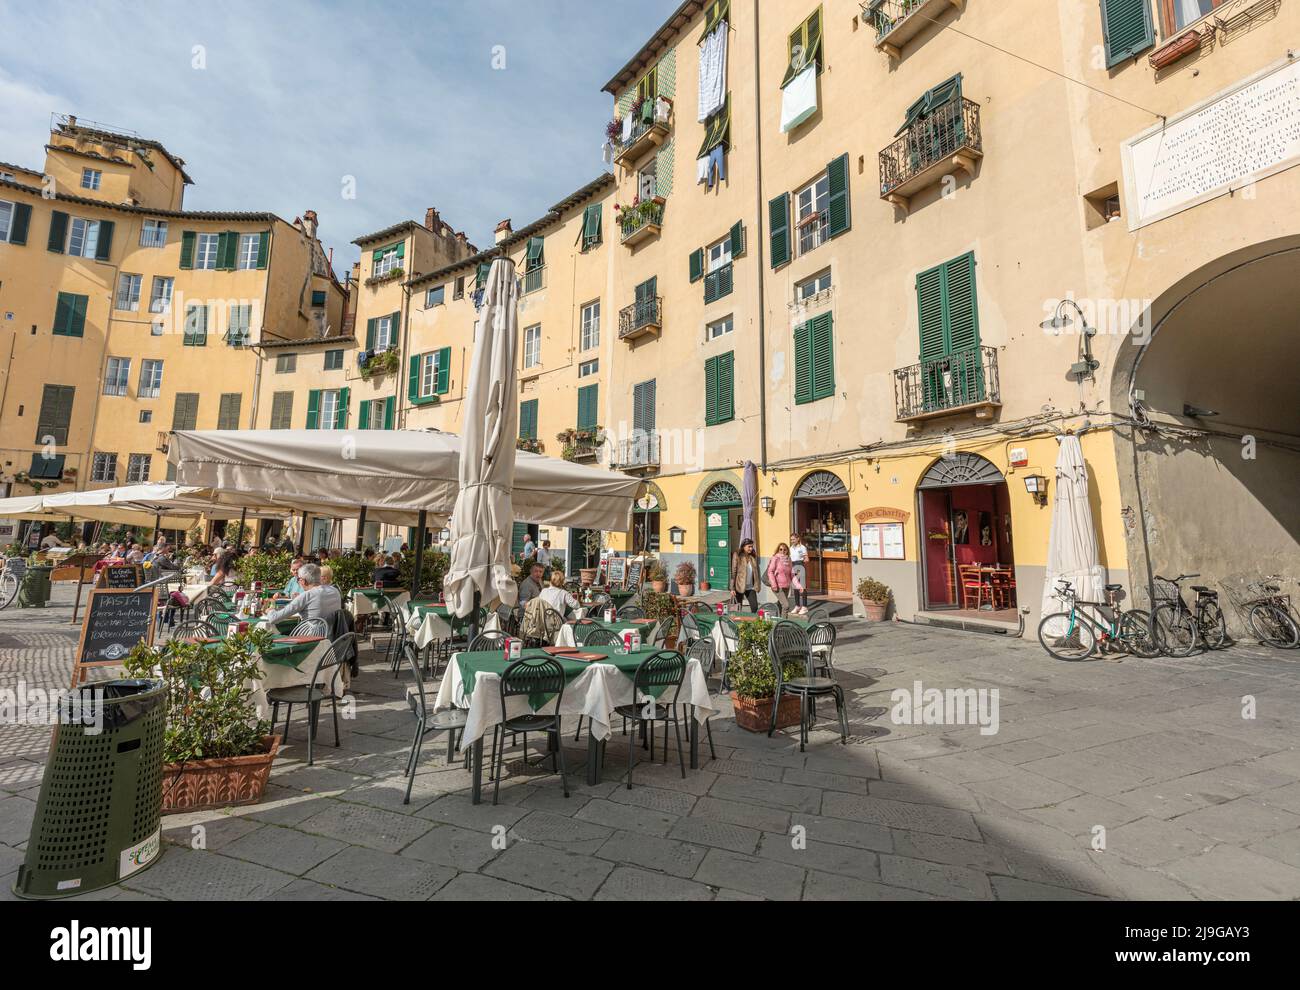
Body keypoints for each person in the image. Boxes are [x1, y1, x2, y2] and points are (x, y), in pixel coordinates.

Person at [262, 563, 341, 626]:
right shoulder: (335, 591)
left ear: (303, 581)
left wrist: (270, 610)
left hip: (310, 639)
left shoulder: (307, 595)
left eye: (298, 579)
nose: (298, 582)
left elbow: (274, 618)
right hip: (333, 639)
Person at [730, 539, 761, 613]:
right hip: (739, 586)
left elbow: (756, 572)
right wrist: (732, 588)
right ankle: (737, 623)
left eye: (752, 547)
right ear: (743, 546)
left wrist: (758, 584)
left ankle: (753, 623)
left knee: (755, 607)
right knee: (737, 608)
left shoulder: (752, 557)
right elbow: (734, 572)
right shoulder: (737, 555)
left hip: (750, 587)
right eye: (749, 546)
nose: (751, 548)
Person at [767, 543, 794, 616]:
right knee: (786, 606)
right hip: (777, 586)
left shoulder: (789, 559)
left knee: (781, 604)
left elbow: (791, 572)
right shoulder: (775, 558)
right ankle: (783, 623)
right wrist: (773, 584)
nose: (782, 551)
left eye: (785, 550)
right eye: (780, 549)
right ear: (778, 550)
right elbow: (770, 572)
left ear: (787, 551)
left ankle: (777, 620)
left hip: (786, 586)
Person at [789, 534, 809, 615]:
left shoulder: (802, 548)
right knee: (795, 587)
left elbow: (806, 559)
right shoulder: (790, 548)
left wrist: (802, 562)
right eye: (791, 539)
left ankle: (804, 607)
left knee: (802, 586)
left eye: (793, 539)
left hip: (800, 565)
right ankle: (797, 605)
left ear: (798, 539)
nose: (792, 541)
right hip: (793, 566)